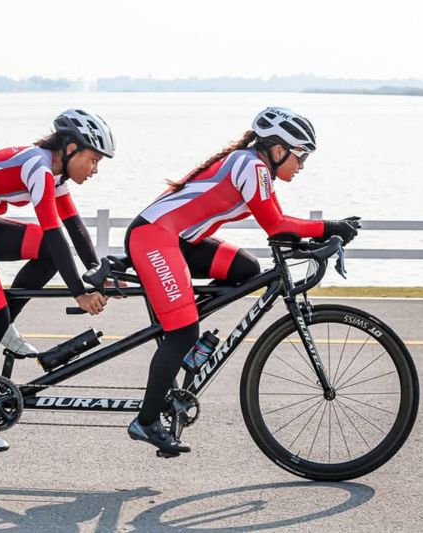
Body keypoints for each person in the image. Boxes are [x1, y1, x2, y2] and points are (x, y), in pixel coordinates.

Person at [124, 107, 360, 455]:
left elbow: (278, 223)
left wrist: (315, 237)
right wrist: (331, 227)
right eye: (301, 156)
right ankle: (145, 420)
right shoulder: (253, 166)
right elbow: (277, 225)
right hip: (154, 238)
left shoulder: (252, 164)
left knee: (247, 270)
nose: (302, 165)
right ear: (278, 149)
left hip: (180, 240)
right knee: (183, 330)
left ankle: (182, 328)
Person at [0, 109, 114, 451]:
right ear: (71, 149)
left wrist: (98, 274)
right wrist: (79, 295)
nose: (95, 169)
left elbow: (74, 227)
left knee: (40, 255)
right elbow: (56, 234)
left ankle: (4, 323)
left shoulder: (55, 176)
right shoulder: (39, 169)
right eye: (93, 159)